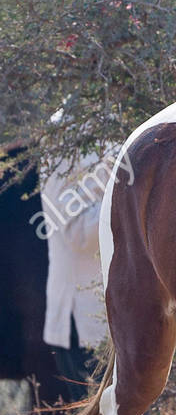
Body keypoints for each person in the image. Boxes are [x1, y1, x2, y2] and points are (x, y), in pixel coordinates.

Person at [39, 103, 110, 399]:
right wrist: (125, 201)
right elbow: (74, 232)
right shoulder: (64, 129)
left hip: (121, 314)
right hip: (81, 319)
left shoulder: (119, 116)